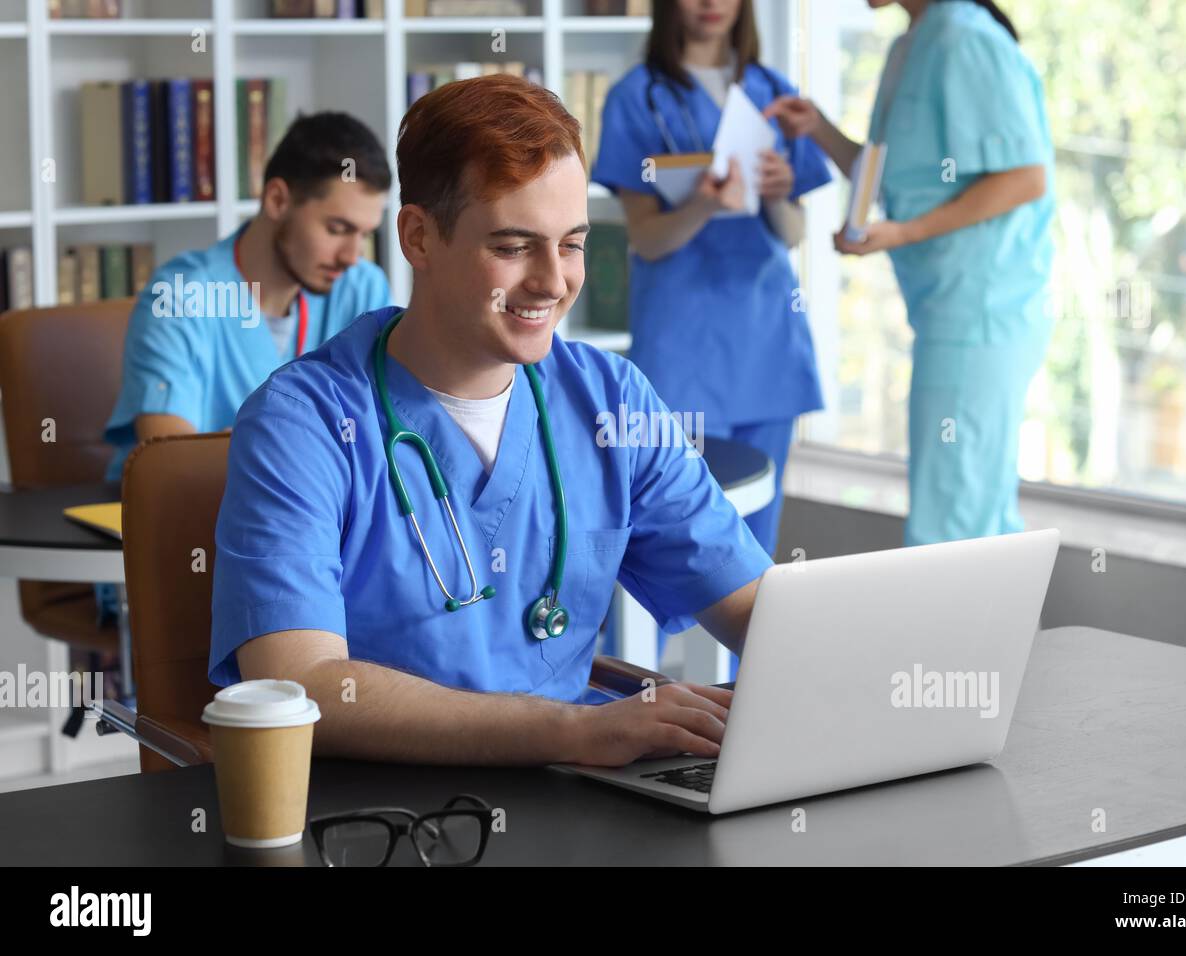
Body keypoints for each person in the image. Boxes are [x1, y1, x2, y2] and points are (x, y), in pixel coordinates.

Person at [210, 75, 772, 768]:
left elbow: (759, 611)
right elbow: (300, 681)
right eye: (512, 247)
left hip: (577, 805)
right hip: (383, 822)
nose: (553, 281)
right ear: (418, 237)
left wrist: (880, 661)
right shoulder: (303, 424)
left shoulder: (611, 401)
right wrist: (572, 732)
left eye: (571, 243)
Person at [591, 0, 832, 676]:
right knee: (661, 541)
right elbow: (645, 237)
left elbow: (790, 232)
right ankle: (626, 701)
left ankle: (745, 715)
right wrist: (701, 199)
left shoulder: (774, 93)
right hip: (683, 346)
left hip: (766, 343)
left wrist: (780, 191)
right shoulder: (635, 97)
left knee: (756, 566)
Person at [765, 0, 1054, 545]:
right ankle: (989, 628)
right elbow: (890, 173)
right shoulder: (913, 43)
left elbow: (1024, 178)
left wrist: (903, 233)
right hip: (951, 310)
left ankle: (968, 631)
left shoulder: (965, 38)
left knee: (951, 526)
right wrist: (820, 129)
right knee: (970, 514)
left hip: (983, 311)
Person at [102, 111, 392, 480]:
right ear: (276, 200)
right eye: (337, 229)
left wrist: (243, 447)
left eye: (365, 235)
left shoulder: (362, 287)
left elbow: (386, 433)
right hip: (182, 527)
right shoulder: (180, 298)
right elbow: (173, 466)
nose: (352, 256)